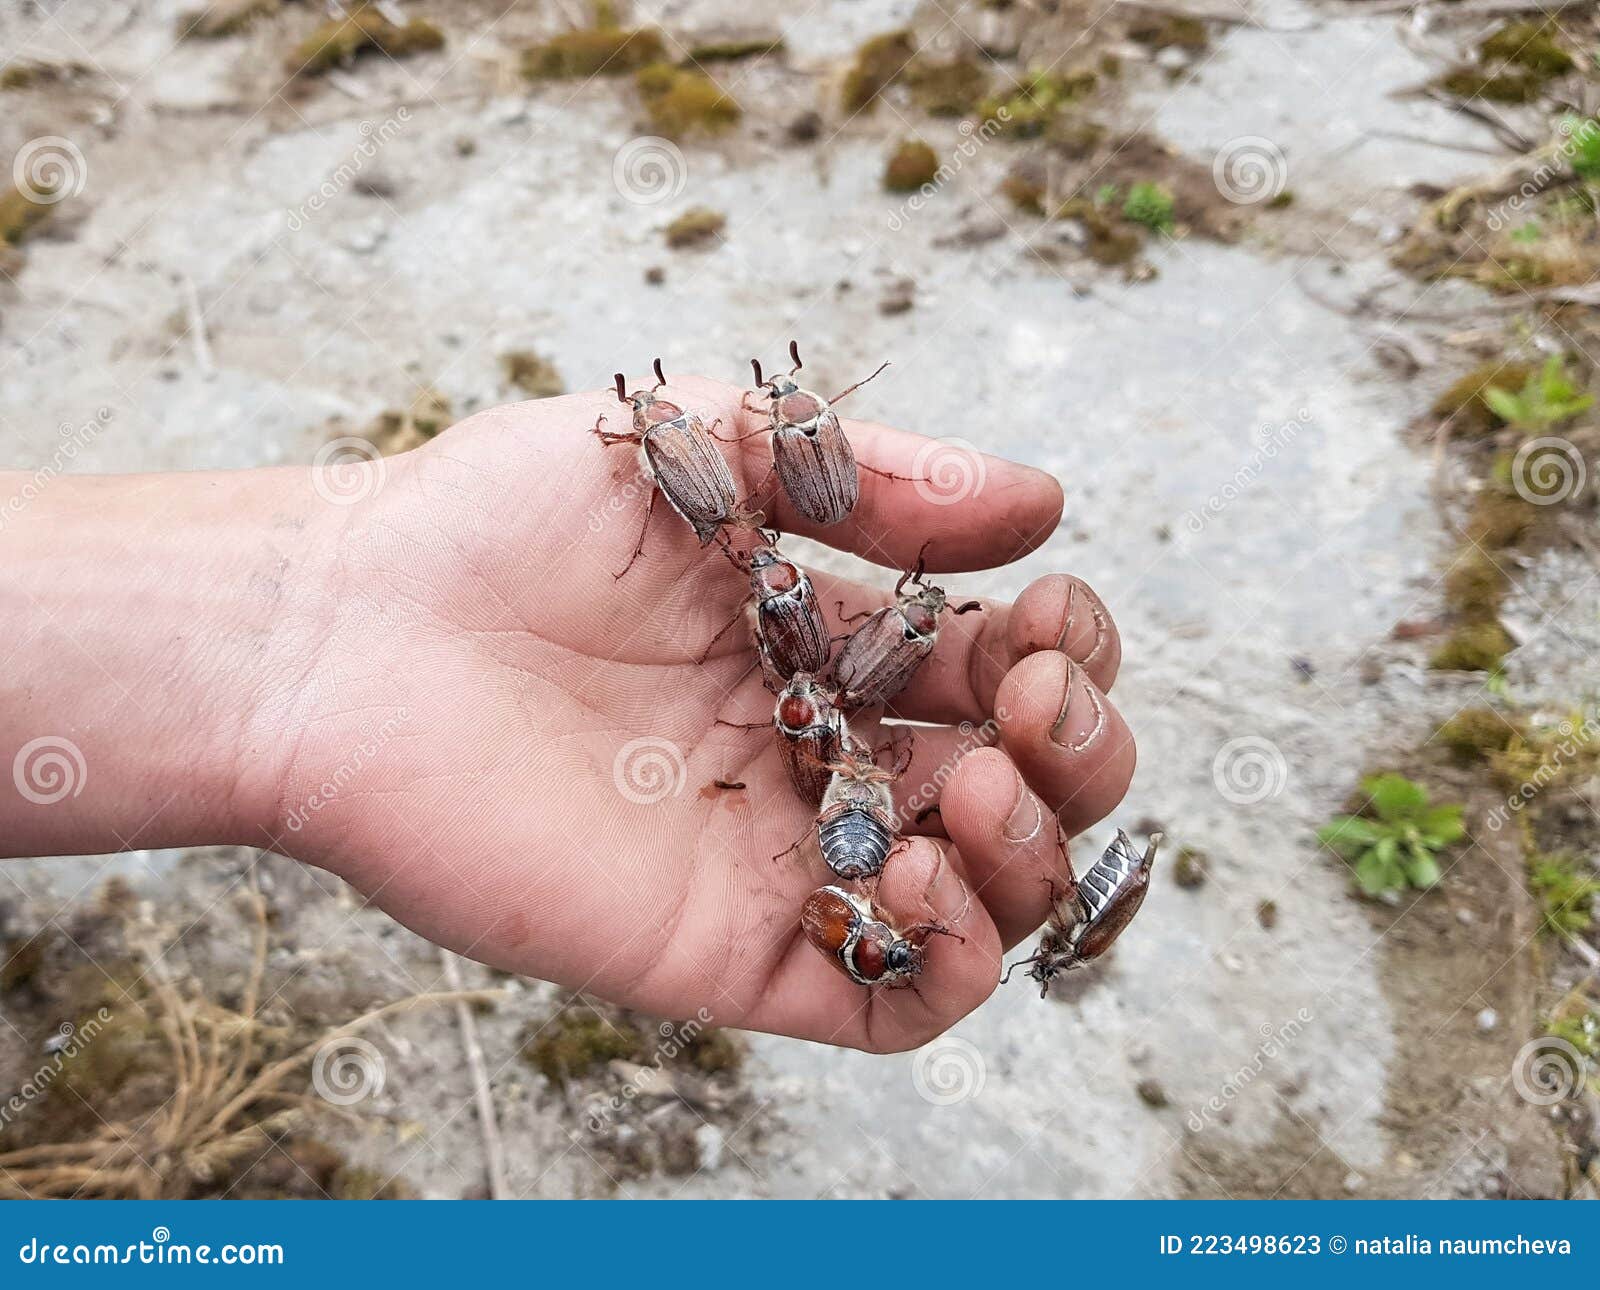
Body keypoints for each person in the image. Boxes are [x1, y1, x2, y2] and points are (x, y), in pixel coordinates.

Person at [0, 375, 1135, 1052]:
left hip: (829, 754)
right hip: (828, 752)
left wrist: (315, 624)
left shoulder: (821, 694)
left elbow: (819, 682)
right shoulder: (795, 670)